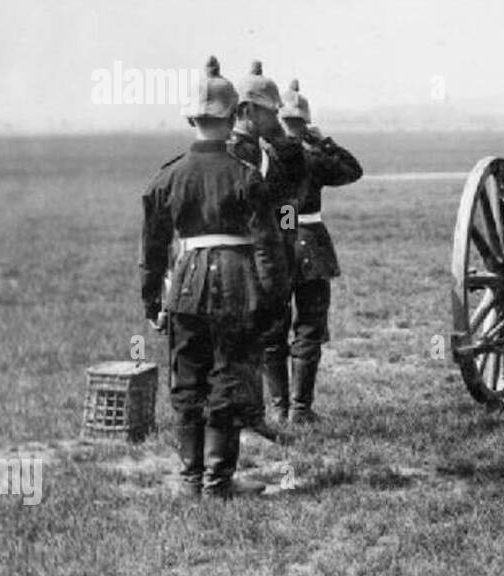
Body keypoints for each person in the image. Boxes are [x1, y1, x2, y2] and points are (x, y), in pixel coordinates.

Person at [139, 56, 288, 498]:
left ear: (193, 118)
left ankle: (190, 480)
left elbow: (151, 251)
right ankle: (219, 480)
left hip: (184, 288)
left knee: (188, 380)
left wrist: (153, 302)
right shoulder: (247, 178)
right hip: (237, 290)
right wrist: (273, 302)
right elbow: (268, 248)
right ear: (232, 117)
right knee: (228, 378)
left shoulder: (166, 178)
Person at [226, 61, 307, 434]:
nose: (275, 118)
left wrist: (286, 239)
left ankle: (268, 411)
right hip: (240, 263)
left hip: (267, 259)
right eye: (268, 112)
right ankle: (243, 416)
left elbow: (289, 204)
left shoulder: (267, 153)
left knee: (272, 335)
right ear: (245, 111)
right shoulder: (232, 154)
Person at [276, 79, 363, 423]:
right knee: (309, 328)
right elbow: (354, 170)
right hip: (311, 245)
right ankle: (300, 408)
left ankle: (279, 407)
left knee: (273, 328)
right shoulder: (315, 158)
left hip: (277, 245)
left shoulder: (266, 156)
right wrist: (324, 140)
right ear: (306, 121)